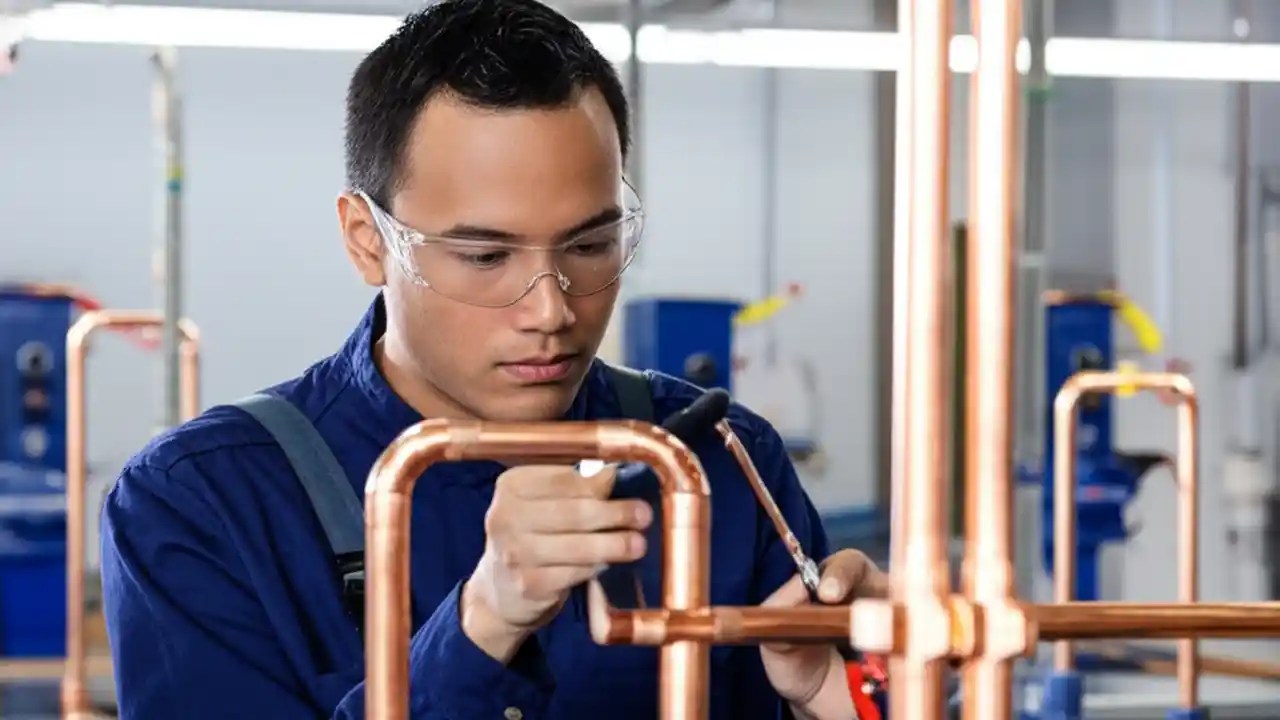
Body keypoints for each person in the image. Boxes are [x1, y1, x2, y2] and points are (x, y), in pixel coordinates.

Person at [99, 0, 888, 718]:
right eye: (484, 257)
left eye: (590, 245)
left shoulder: (724, 461)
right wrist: (481, 625)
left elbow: (840, 689)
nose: (552, 310)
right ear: (366, 240)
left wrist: (853, 698)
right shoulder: (201, 506)